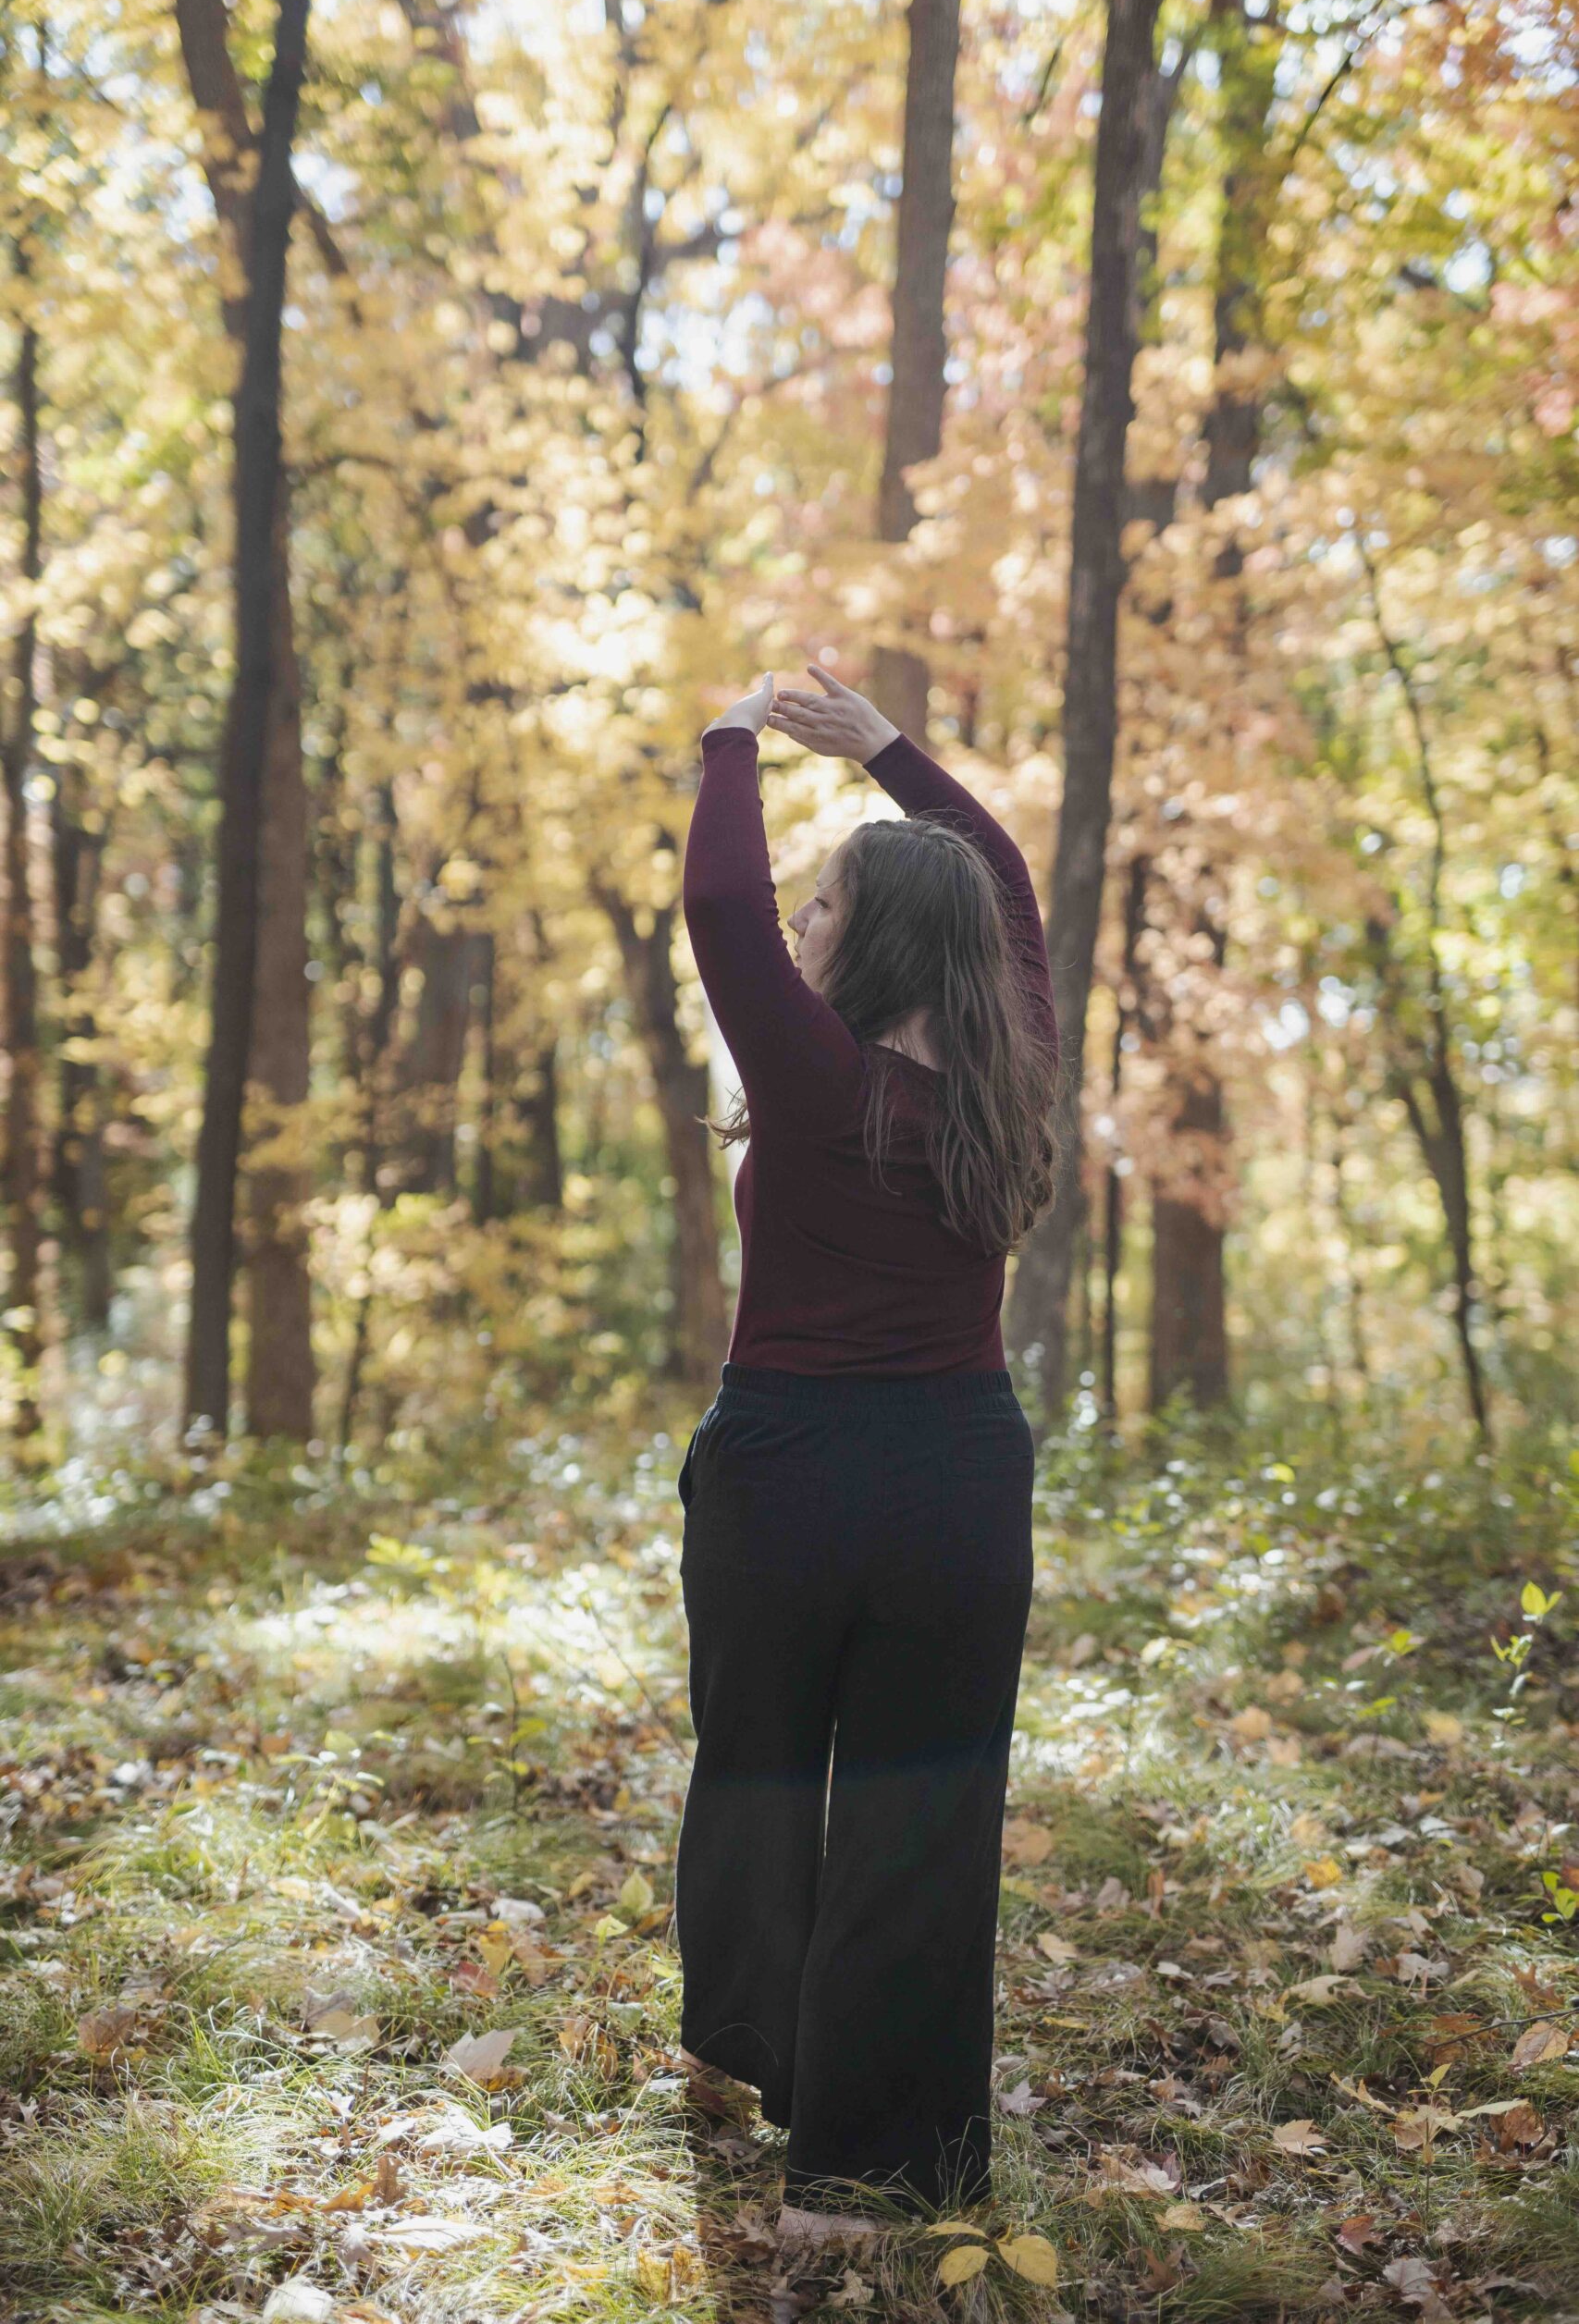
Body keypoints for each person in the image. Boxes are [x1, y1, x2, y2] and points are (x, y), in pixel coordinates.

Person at [673, 661, 1059, 2256]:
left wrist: (734, 735)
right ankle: (871, 2186)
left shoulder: (817, 1081)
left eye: (825, 907)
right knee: (927, 1823)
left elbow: (718, 905)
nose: (801, 923)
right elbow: (1004, 885)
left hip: (786, 1474)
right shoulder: (1009, 1080)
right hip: (960, 1482)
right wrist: (889, 750)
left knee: (758, 1775)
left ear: (878, 939)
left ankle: (761, 2051)